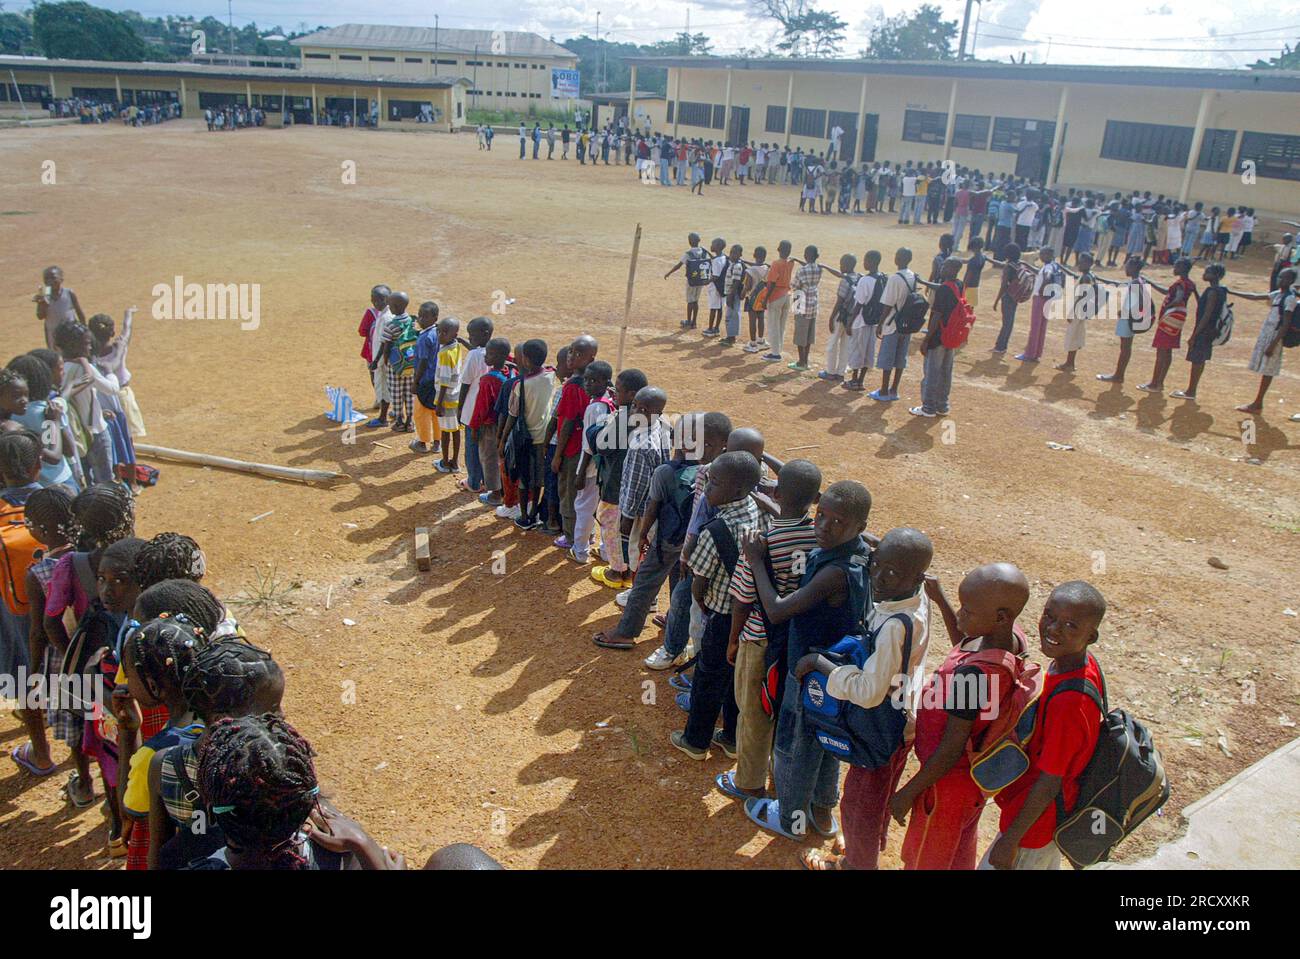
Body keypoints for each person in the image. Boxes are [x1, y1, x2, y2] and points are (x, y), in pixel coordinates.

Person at [794, 526, 932, 870]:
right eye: (877, 565)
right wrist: (885, 556)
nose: (880, 578)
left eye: (893, 573)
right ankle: (867, 845)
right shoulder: (915, 602)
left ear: (916, 576)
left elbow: (869, 692)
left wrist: (820, 665)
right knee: (879, 798)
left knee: (859, 804)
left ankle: (855, 863)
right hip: (903, 720)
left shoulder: (894, 628)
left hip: (878, 724)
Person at [743, 480, 872, 843]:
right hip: (837, 669)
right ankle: (820, 808)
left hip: (809, 670)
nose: (824, 527)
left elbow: (778, 610)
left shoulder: (834, 572)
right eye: (820, 516)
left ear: (858, 527)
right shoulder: (860, 554)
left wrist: (755, 560)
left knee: (795, 742)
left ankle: (789, 817)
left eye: (837, 523)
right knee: (828, 738)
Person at [892, 563, 1031, 870]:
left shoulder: (973, 677)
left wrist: (907, 792)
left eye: (967, 610)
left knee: (927, 858)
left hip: (945, 786)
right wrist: (941, 600)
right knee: (956, 851)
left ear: (1001, 616)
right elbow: (966, 645)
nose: (960, 616)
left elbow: (952, 747)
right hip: (971, 783)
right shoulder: (1010, 641)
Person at [983, 581, 1109, 870]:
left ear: (1092, 636)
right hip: (1046, 819)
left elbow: (1050, 780)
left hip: (1034, 826)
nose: (1053, 629)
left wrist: (1010, 840)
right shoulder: (1077, 663)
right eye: (1049, 616)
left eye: (1070, 626)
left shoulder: (1071, 702)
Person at [716, 459, 820, 801]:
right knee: (783, 711)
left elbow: (743, 599)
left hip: (760, 638)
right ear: (815, 499)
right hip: (799, 639)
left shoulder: (760, 543)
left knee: (754, 712)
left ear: (775, 493)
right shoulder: (819, 538)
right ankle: (780, 776)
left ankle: (747, 781)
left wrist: (733, 641)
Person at [193, 713, 401, 869]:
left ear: (212, 810)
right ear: (306, 808)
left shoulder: (180, 855)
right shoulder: (345, 860)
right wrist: (362, 844)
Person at [148, 637, 285, 869]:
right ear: (223, 721)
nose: (281, 716)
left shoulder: (166, 765)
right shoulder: (275, 766)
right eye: (271, 710)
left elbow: (160, 850)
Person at [669, 451, 763, 761]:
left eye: (715, 483)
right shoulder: (757, 511)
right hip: (750, 616)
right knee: (737, 678)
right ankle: (732, 738)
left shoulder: (714, 531)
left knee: (708, 677)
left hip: (721, 615)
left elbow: (699, 581)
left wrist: (701, 602)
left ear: (737, 489)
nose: (708, 488)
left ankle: (695, 740)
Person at [8, 484, 75, 778]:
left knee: (34, 693)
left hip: (58, 660)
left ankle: (44, 758)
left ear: (38, 530)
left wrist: (33, 673)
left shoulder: (38, 573)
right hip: (91, 654)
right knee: (91, 711)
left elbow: (38, 632)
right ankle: (84, 766)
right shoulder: (93, 558)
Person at [1171, 264, 1270, 401]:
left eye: (1208, 272)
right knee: (1200, 359)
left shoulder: (1212, 291)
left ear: (1216, 275)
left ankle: (1191, 391)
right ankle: (1191, 389)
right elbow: (1204, 305)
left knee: (1197, 360)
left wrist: (1194, 334)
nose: (1204, 274)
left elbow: (1207, 313)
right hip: (1211, 330)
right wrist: (1195, 292)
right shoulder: (1221, 290)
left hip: (1204, 330)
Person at [587, 369, 647, 590]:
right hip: (634, 486)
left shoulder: (624, 419)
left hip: (615, 484)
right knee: (630, 531)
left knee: (610, 525)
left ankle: (616, 571)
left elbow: (600, 445)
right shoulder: (648, 416)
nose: (614, 393)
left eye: (618, 390)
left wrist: (602, 425)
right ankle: (628, 570)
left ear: (632, 395)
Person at [499, 339, 556, 531]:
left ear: (526, 359)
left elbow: (512, 416)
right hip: (543, 437)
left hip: (525, 439)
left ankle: (524, 517)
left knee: (524, 479)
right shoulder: (550, 376)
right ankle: (534, 513)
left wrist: (503, 440)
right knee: (538, 478)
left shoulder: (521, 385)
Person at [54, 318, 118, 485]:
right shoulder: (85, 368)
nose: (90, 347)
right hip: (96, 431)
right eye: (87, 343)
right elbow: (111, 389)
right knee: (105, 479)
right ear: (75, 346)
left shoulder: (58, 369)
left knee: (86, 481)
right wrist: (110, 372)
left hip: (75, 435)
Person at [549, 335, 599, 549]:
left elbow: (567, 423)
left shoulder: (572, 387)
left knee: (568, 494)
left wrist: (558, 454)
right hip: (589, 449)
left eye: (579, 354)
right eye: (571, 351)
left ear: (590, 358)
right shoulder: (596, 383)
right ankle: (587, 534)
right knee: (587, 495)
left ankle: (571, 537)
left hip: (572, 450)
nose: (572, 357)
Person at [568, 360, 615, 564]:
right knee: (602, 510)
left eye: (593, 380)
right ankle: (605, 550)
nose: (587, 384)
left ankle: (580, 550)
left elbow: (589, 444)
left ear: (605, 381)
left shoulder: (594, 408)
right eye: (586, 379)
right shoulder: (610, 401)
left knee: (583, 508)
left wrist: (580, 473)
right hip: (605, 467)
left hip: (590, 467)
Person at [911, 257, 965, 418]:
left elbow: (936, 316)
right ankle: (942, 405)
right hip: (952, 335)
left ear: (952, 269)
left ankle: (928, 407)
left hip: (939, 336)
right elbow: (942, 288)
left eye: (945, 266)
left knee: (932, 372)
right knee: (945, 372)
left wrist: (926, 339)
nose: (942, 268)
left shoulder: (943, 290)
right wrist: (924, 282)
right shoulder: (959, 284)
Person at [1237, 269, 1297, 414]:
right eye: (1280, 277)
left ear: (1290, 281)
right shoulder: (1278, 294)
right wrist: (1232, 292)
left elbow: (1286, 324)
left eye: (1283, 278)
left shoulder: (1289, 298)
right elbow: (1255, 297)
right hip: (1268, 335)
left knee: (1268, 369)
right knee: (1265, 368)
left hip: (1274, 337)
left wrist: (1273, 344)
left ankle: (1258, 403)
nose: (1280, 280)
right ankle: (1258, 402)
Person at [1137, 258, 1196, 394]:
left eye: (1176, 266)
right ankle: (1160, 382)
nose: (1174, 268)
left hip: (1169, 321)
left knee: (1161, 352)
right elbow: (1169, 292)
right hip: (1177, 322)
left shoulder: (1181, 284)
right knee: (1167, 351)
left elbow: (1178, 298)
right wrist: (1151, 283)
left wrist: (1168, 308)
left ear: (1182, 268)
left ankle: (1154, 383)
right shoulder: (1189, 283)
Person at [870, 248, 919, 402]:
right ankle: (894, 389)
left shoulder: (895, 278)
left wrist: (880, 323)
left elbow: (888, 304)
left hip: (893, 323)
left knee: (887, 358)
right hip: (907, 323)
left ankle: (883, 391)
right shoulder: (913, 276)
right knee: (900, 358)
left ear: (899, 259)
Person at [89, 306, 145, 439]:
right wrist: (128, 314)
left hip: (101, 397)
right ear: (112, 333)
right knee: (128, 434)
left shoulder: (90, 355)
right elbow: (127, 330)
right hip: (122, 395)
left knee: (111, 433)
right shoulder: (119, 347)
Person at [1097, 256, 1153, 384]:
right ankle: (1119, 374)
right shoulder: (1139, 281)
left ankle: (1118, 375)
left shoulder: (1135, 283)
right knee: (1126, 347)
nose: (1126, 268)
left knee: (1125, 347)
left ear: (1133, 268)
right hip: (1130, 318)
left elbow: (1140, 301)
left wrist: (1126, 312)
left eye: (1128, 266)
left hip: (1128, 318)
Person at [472, 337, 513, 508]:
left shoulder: (488, 380)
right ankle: (503, 489)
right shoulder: (509, 372)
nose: (485, 357)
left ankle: (495, 494)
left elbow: (480, 408)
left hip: (489, 426)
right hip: (505, 424)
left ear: (497, 356)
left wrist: (474, 427)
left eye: (488, 354)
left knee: (489, 458)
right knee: (502, 458)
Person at [456, 316, 494, 494]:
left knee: (471, 448)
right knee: (486, 449)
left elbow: (465, 383)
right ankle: (487, 481)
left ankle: (473, 481)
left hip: (472, 409)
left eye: (472, 335)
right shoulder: (495, 351)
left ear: (484, 334)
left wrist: (459, 408)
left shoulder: (473, 355)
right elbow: (479, 353)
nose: (469, 338)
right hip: (488, 411)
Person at [371, 291, 416, 433]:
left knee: (396, 393)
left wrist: (383, 360)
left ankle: (399, 421)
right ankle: (410, 422)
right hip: (410, 364)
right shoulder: (412, 322)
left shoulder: (391, 325)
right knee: (409, 393)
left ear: (395, 307)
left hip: (395, 366)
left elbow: (385, 346)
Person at [1015, 247, 1064, 364]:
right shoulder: (1054, 265)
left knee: (1035, 326)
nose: (1040, 257)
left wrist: (1042, 290)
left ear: (1048, 255)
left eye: (1042, 254)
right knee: (1042, 326)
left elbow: (1046, 276)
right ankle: (1037, 353)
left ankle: (1029, 354)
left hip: (1040, 298)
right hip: (1048, 299)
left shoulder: (1047, 268)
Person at [432, 317, 466, 475]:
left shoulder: (445, 353)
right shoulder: (457, 346)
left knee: (445, 431)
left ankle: (445, 463)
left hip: (445, 400)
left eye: (443, 332)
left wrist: (439, 403)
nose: (439, 335)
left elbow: (444, 381)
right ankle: (455, 462)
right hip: (456, 397)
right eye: (439, 331)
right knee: (456, 430)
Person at [819, 253, 860, 381]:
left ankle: (830, 372)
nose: (840, 266)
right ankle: (840, 373)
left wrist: (831, 318)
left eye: (842, 264)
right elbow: (839, 273)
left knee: (832, 344)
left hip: (840, 316)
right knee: (845, 346)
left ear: (847, 265)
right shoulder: (859, 278)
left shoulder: (844, 281)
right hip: (852, 317)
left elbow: (839, 301)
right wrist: (825, 266)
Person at [409, 302, 443, 455]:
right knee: (435, 412)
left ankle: (422, 442)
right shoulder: (438, 333)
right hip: (436, 379)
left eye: (424, 316)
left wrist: (415, 382)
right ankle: (437, 443)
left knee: (421, 412)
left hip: (424, 380)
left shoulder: (424, 338)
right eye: (419, 315)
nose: (420, 319)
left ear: (434, 318)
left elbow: (422, 361)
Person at [790, 245, 828, 371]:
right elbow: (809, 266)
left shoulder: (801, 270)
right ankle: (805, 360)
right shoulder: (819, 268)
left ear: (806, 255)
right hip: (813, 303)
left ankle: (801, 362)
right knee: (809, 335)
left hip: (801, 302)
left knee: (800, 333)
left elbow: (794, 285)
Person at [761, 241, 796, 363]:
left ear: (778, 249)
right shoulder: (791, 262)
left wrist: (765, 299)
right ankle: (778, 349)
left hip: (776, 296)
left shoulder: (776, 264)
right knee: (781, 324)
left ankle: (775, 354)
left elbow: (772, 283)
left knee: (773, 325)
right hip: (787, 294)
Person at [35, 266, 86, 350]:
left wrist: (84, 329)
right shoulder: (44, 295)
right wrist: (42, 304)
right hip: (53, 333)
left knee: (73, 351)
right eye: (46, 279)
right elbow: (40, 316)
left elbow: (79, 312)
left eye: (53, 278)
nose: (49, 281)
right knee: (57, 356)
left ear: (61, 279)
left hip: (70, 331)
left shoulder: (69, 293)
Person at [665, 233, 708, 331]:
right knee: (696, 301)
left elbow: (679, 265)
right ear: (699, 240)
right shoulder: (704, 251)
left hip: (691, 281)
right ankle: (694, 321)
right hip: (701, 280)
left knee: (690, 301)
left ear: (689, 242)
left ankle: (688, 321)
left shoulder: (688, 254)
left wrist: (669, 273)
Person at [741, 246, 770, 353]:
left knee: (752, 321)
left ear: (754, 255)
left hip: (751, 298)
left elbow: (747, 286)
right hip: (762, 298)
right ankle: (761, 341)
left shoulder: (750, 270)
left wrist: (742, 294)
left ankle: (753, 343)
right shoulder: (767, 268)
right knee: (761, 318)